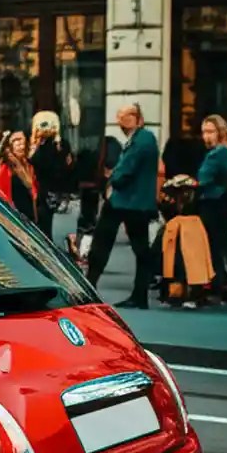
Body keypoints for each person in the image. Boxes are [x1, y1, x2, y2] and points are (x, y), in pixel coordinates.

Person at [86, 103, 159, 309]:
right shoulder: (143, 139)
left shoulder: (141, 140)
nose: (120, 122)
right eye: (119, 117)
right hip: (136, 203)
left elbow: (125, 171)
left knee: (102, 243)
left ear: (137, 118)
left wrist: (113, 177)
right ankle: (139, 295)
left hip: (125, 201)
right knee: (140, 249)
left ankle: (89, 287)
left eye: (124, 117)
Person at [196, 114, 227, 301]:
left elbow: (205, 179)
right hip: (218, 201)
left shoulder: (219, 154)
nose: (206, 136)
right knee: (222, 243)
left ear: (220, 132)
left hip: (213, 202)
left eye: (210, 132)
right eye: (203, 132)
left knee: (216, 245)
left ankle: (221, 284)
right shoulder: (222, 152)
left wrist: (194, 184)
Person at [157, 174, 215, 308]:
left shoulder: (192, 203)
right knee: (179, 264)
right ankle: (177, 294)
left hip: (190, 231)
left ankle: (192, 295)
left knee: (190, 265)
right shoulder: (176, 201)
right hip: (181, 231)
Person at [28, 110, 74, 242]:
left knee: (47, 224)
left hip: (52, 190)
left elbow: (65, 166)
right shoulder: (34, 144)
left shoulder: (60, 144)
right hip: (37, 188)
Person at [0, 130, 40, 231]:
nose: (21, 144)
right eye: (16, 140)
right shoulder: (4, 168)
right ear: (8, 145)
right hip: (12, 219)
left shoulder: (28, 166)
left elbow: (33, 191)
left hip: (29, 220)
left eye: (23, 140)